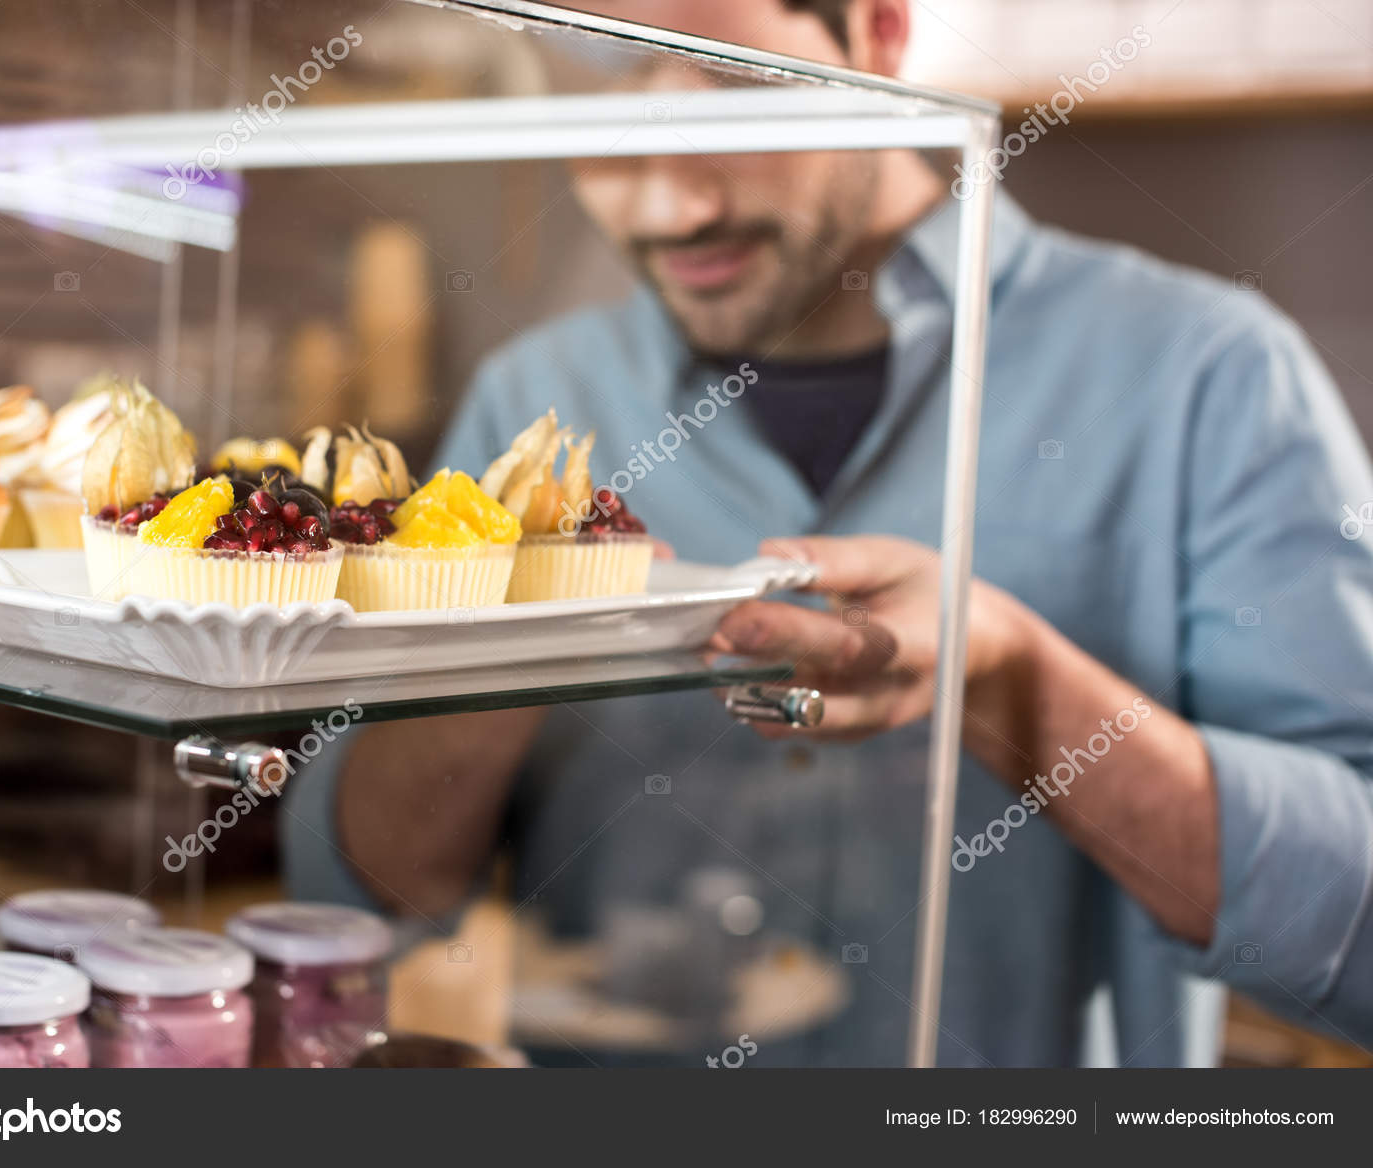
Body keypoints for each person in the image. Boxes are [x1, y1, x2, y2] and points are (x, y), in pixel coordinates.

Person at [286, 0, 1373, 1065]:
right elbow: (357, 895)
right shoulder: (535, 403)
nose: (669, 206)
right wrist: (516, 643)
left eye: (730, 102)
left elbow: (1356, 939)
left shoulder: (1206, 373)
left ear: (881, 34)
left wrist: (1008, 682)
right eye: (598, 122)